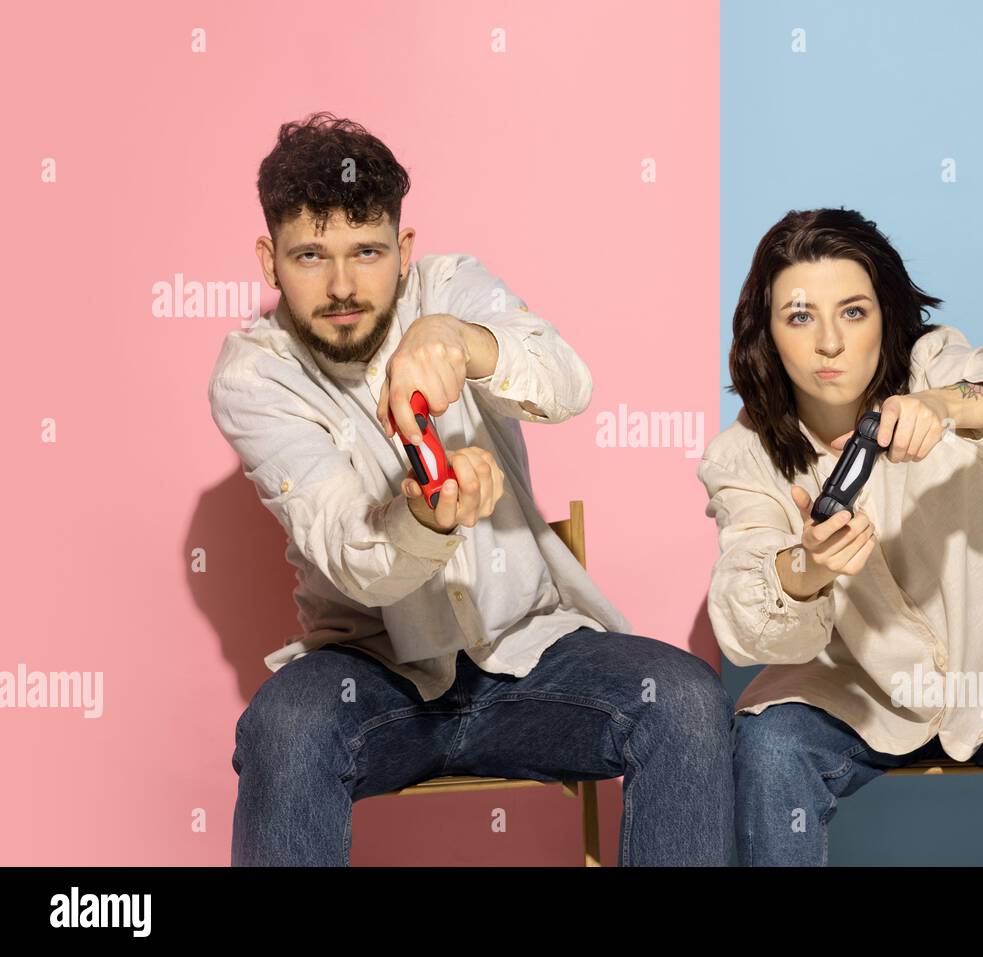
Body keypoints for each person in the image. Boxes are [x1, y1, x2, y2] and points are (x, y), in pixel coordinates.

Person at [209, 112, 732, 866]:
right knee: (282, 726)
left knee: (684, 701)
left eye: (367, 251)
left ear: (405, 249)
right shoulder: (253, 376)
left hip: (531, 656)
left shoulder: (451, 284)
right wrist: (426, 517)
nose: (344, 285)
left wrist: (458, 339)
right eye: (310, 255)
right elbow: (349, 550)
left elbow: (568, 382)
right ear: (268, 258)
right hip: (373, 677)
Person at [698, 208, 983, 866]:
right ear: (767, 331)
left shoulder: (936, 365)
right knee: (769, 743)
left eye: (852, 312)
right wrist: (805, 567)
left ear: (886, 314)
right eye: (799, 317)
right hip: (857, 685)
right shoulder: (742, 455)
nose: (828, 343)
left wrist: (950, 405)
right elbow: (742, 598)